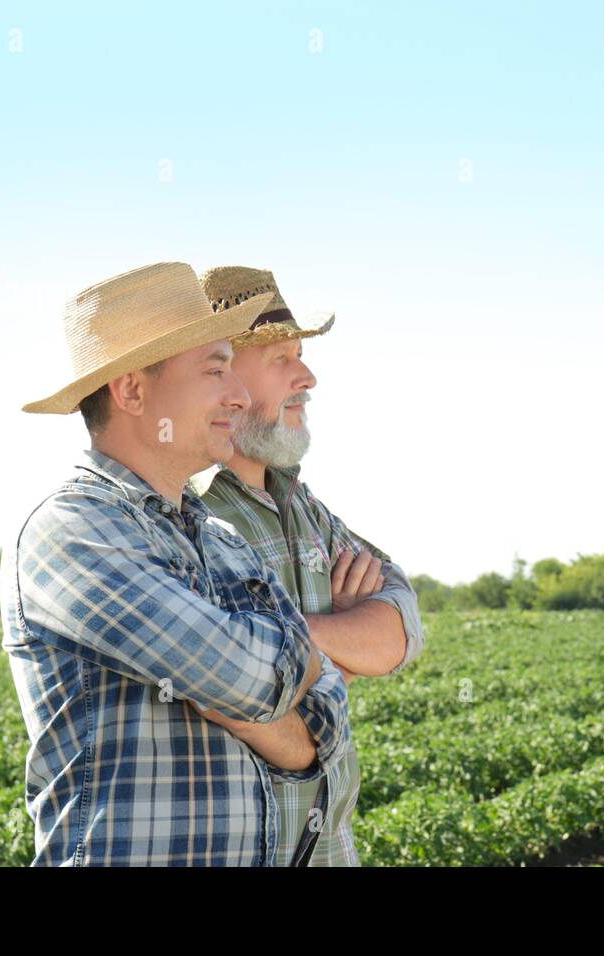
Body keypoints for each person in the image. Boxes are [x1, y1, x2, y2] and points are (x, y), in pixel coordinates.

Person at [2, 261, 351, 865]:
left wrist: (283, 679)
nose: (238, 394)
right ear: (133, 390)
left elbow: (326, 728)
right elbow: (246, 677)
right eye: (215, 369)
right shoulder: (71, 531)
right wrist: (296, 662)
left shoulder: (220, 537)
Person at [190, 265, 425, 866]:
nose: (308, 377)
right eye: (282, 358)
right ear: (220, 374)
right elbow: (227, 681)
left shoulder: (303, 503)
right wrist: (338, 644)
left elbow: (401, 631)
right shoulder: (184, 510)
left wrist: (287, 640)